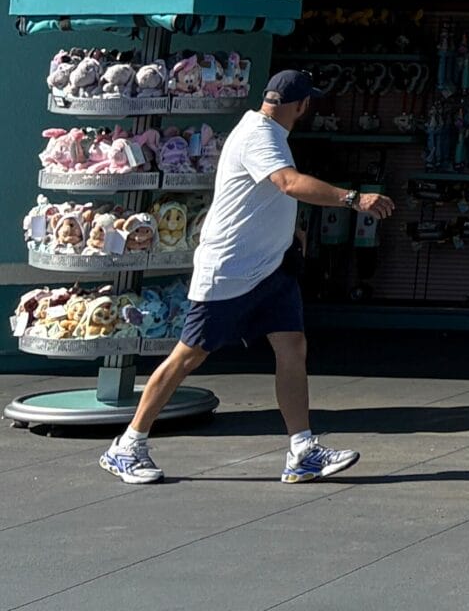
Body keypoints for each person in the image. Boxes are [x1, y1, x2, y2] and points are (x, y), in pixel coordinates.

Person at [100, 71, 396, 486]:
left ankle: (302, 450)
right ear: (302, 105)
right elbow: (288, 183)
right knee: (189, 355)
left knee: (292, 346)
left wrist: (287, 232)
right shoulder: (262, 135)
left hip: (270, 268)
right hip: (230, 272)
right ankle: (127, 447)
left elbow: (265, 195)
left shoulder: (266, 131)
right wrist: (354, 198)